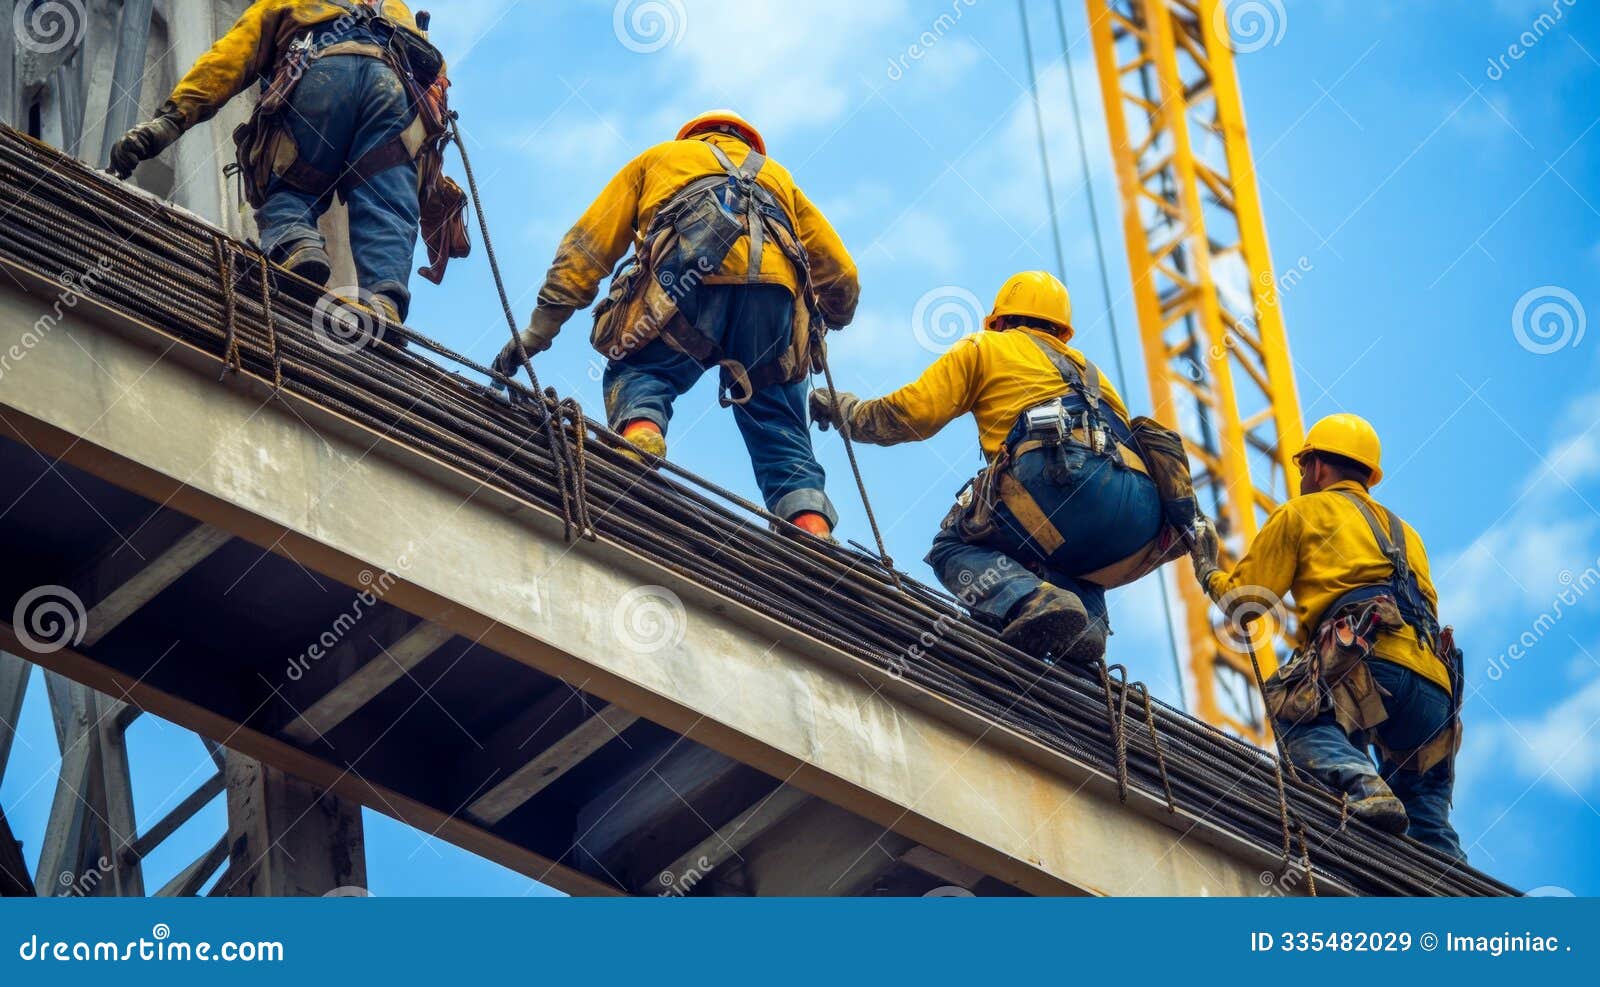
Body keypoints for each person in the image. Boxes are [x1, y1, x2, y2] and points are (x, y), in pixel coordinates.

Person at [492, 110, 859, 539]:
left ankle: (641, 432)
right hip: (773, 301)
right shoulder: (779, 179)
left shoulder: (660, 158)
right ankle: (808, 523)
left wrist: (540, 331)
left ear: (694, 137)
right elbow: (843, 275)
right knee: (777, 409)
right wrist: (827, 320)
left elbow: (587, 248)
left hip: (684, 286)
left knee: (643, 365)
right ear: (748, 143)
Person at [810, 271, 1187, 662]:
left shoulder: (987, 346)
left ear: (1001, 321)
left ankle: (1034, 599)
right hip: (1140, 520)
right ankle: (1085, 625)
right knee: (1059, 549)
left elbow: (912, 415)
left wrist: (847, 410)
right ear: (1060, 332)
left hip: (1061, 481)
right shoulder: (1094, 376)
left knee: (951, 547)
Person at [1190, 413, 1465, 859]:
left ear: (1316, 466)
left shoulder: (1304, 511)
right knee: (1425, 810)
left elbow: (1246, 602)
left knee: (1295, 717)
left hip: (1369, 664)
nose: (1301, 476)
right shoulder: (1407, 534)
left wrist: (1207, 570)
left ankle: (1363, 786)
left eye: (1303, 467)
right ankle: (1456, 886)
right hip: (1434, 685)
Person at [108, 1, 464, 327]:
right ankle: (383, 303)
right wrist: (429, 185)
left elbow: (231, 59)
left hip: (324, 75)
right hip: (393, 95)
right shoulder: (396, 10)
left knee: (292, 181)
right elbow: (434, 96)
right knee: (386, 204)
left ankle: (297, 247)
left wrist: (169, 122)